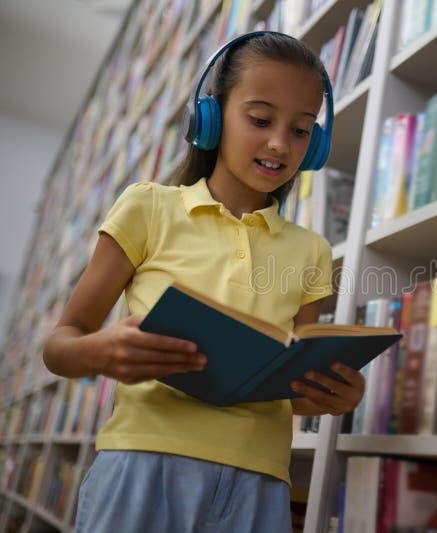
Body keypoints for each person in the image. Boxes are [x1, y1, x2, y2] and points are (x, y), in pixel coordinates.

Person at [42, 31, 365, 532]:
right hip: (143, 462)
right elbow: (60, 346)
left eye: (302, 130)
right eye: (260, 120)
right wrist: (102, 352)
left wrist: (331, 394)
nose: (280, 143)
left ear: (316, 145)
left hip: (259, 482)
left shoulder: (312, 251)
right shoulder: (149, 207)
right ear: (210, 118)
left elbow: (289, 389)